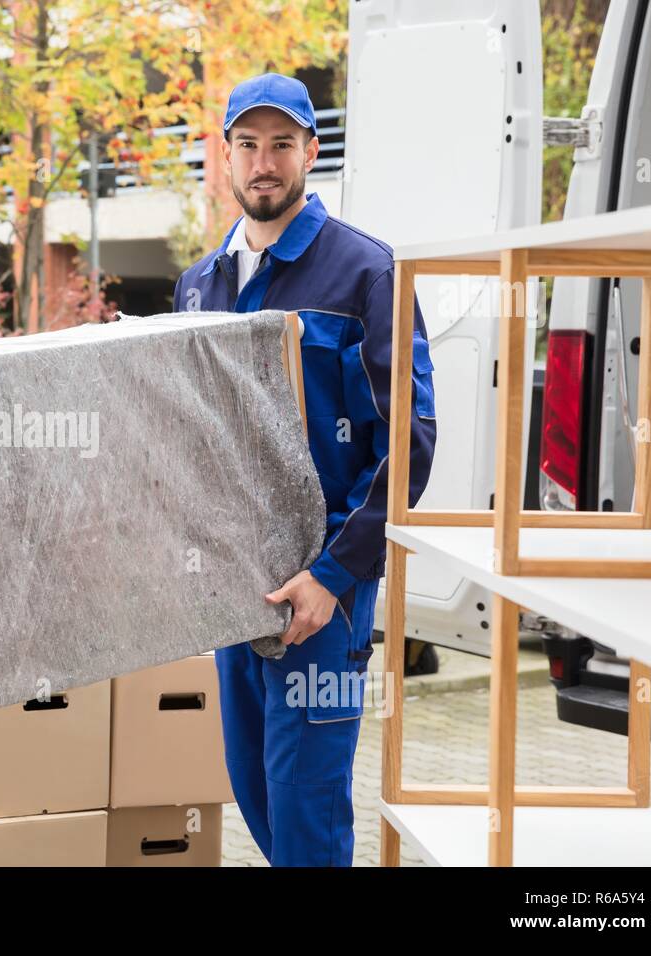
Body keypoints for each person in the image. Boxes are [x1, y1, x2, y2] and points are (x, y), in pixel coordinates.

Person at [172, 74, 437, 866]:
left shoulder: (365, 274)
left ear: (311, 154)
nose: (264, 163)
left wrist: (335, 573)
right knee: (252, 784)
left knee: (306, 809)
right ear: (224, 157)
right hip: (233, 589)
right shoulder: (199, 286)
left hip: (323, 594)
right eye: (247, 145)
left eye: (281, 145)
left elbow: (409, 440)